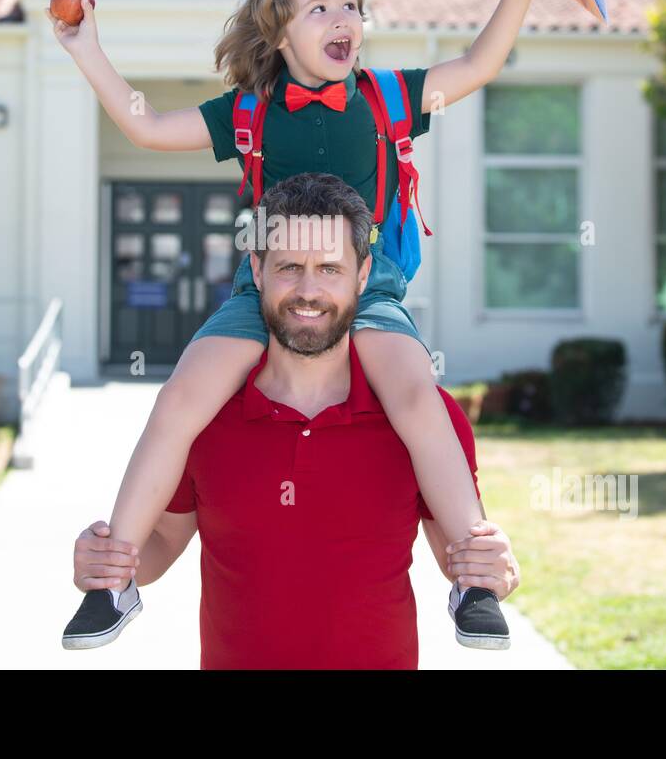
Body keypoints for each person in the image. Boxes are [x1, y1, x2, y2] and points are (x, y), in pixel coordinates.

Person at [53, 0, 541, 649]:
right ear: (278, 30)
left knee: (415, 395)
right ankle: (113, 581)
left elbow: (479, 62)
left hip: (364, 286)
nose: (342, 19)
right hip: (266, 287)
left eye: (350, 5)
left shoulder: (389, 97)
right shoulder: (249, 111)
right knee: (182, 395)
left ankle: (472, 577)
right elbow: (145, 125)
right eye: (317, 8)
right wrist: (86, 47)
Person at [68, 173, 522, 667]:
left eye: (330, 269)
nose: (309, 291)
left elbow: (454, 553)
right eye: (289, 267)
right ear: (257, 271)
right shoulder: (205, 416)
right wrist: (111, 564)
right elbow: (161, 545)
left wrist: (492, 568)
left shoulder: (422, 416)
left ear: (363, 276)